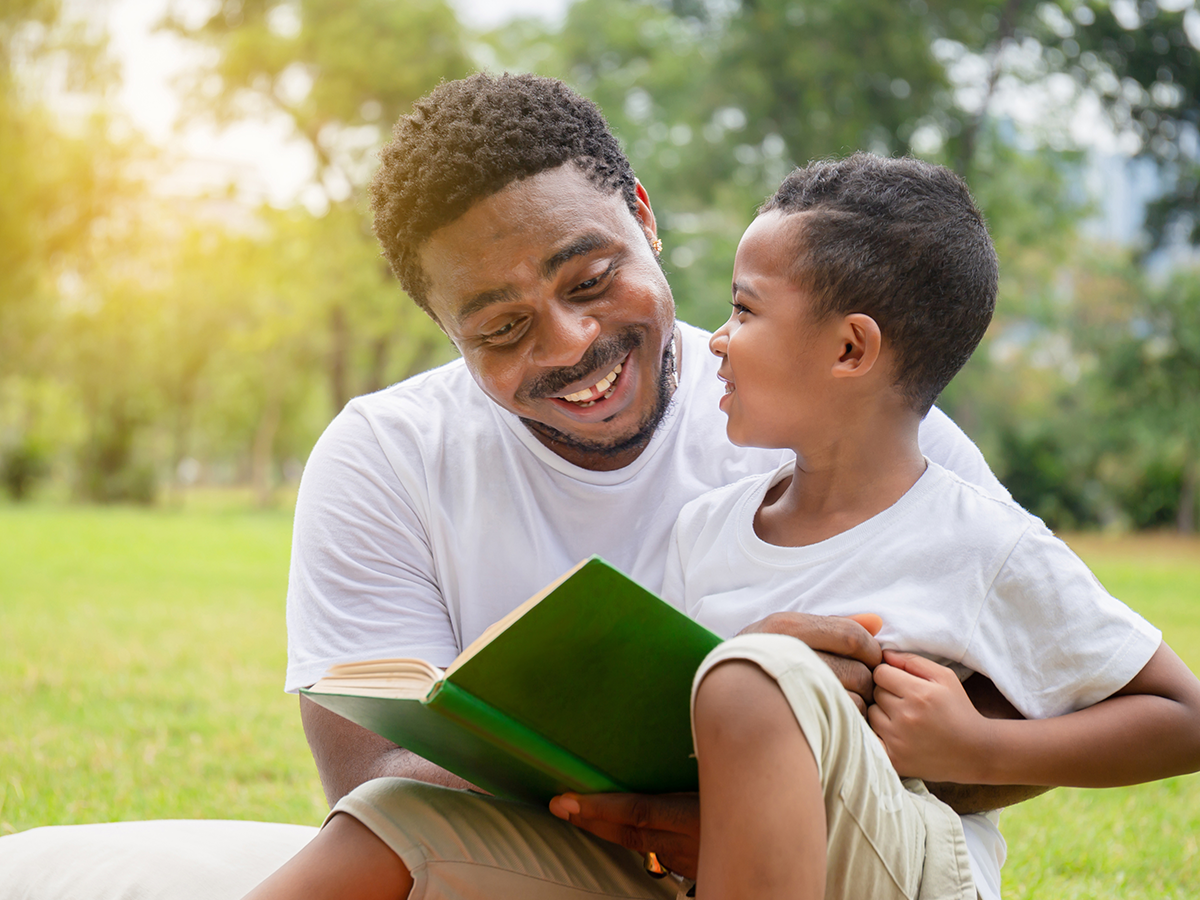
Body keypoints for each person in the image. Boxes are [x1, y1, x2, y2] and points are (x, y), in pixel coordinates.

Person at [247, 77, 1054, 900]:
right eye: (501, 329)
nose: (569, 345)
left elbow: (1050, 701)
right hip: (583, 868)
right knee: (386, 821)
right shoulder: (384, 455)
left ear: (644, 216)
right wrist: (663, 780)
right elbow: (372, 779)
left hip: (845, 863)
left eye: (591, 279)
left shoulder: (851, 416)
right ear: (447, 331)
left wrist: (789, 755)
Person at [549, 152, 1200, 899]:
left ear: (850, 348)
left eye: (745, 310)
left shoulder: (979, 541)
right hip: (719, 866)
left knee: (756, 678)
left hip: (908, 867)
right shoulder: (706, 529)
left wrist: (977, 746)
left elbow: (1184, 717)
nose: (718, 340)